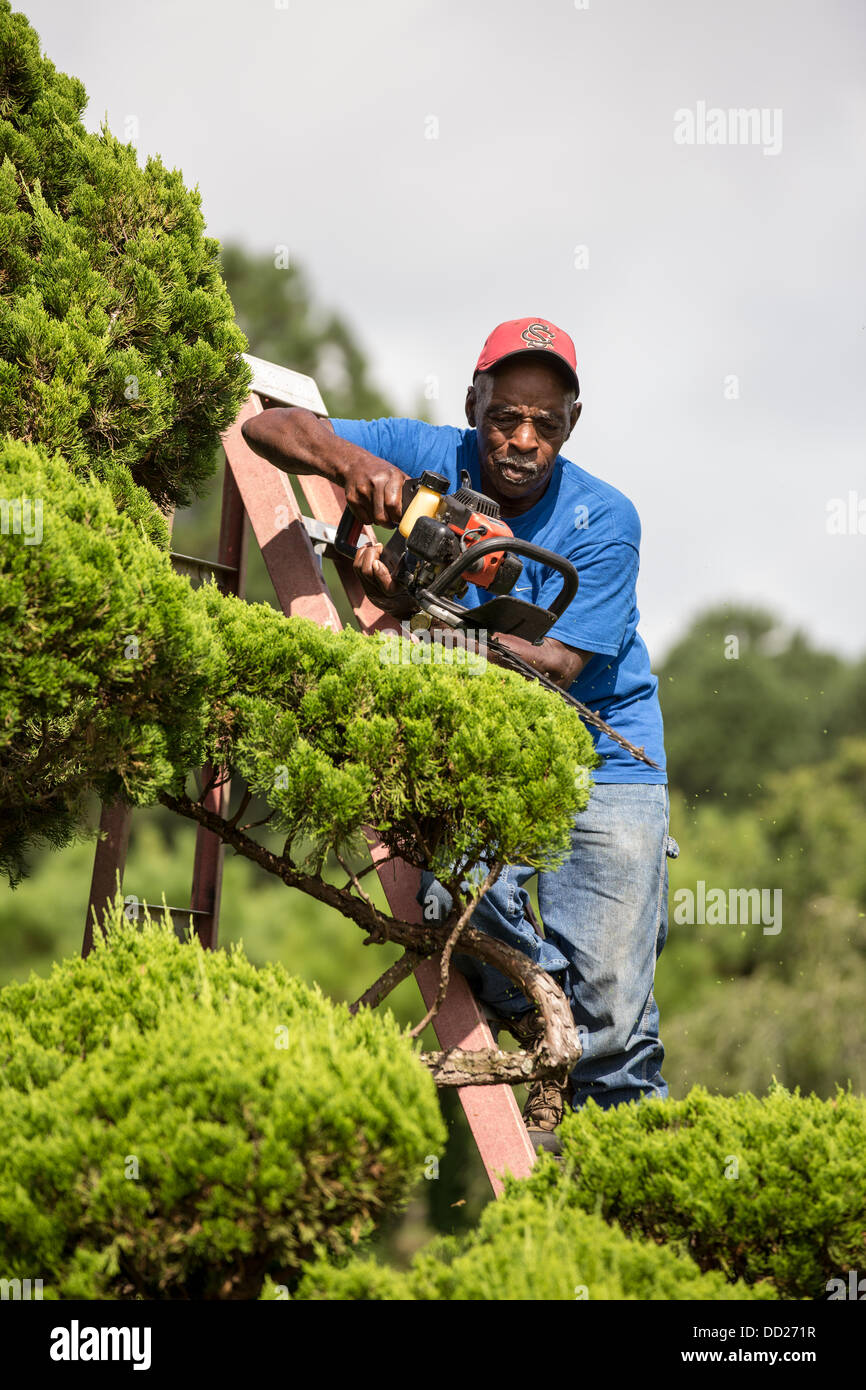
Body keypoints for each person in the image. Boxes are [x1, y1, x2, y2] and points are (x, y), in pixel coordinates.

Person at [241, 317, 673, 1152]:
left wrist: (417, 620)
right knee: (451, 901)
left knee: (616, 1003)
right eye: (505, 416)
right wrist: (355, 465)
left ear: (570, 427)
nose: (521, 440)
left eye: (545, 426)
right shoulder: (424, 447)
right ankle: (557, 1027)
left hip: (605, 760)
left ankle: (626, 1165)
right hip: (484, 751)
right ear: (474, 402)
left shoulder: (606, 518)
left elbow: (552, 664)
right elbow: (267, 428)